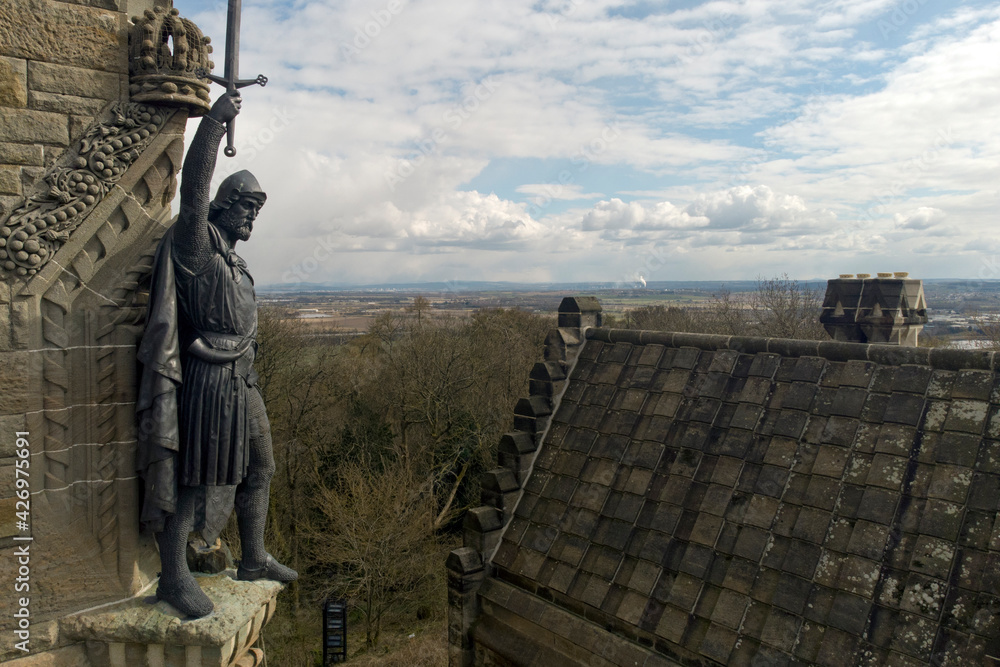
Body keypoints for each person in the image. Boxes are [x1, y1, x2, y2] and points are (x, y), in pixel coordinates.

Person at [136, 91, 296, 618]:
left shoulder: (238, 264)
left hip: (244, 381)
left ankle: (253, 557)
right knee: (196, 478)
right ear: (226, 208)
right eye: (247, 208)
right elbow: (194, 190)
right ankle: (174, 577)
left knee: (261, 466)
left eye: (256, 210)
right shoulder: (197, 246)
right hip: (208, 381)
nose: (252, 218)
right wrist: (213, 126)